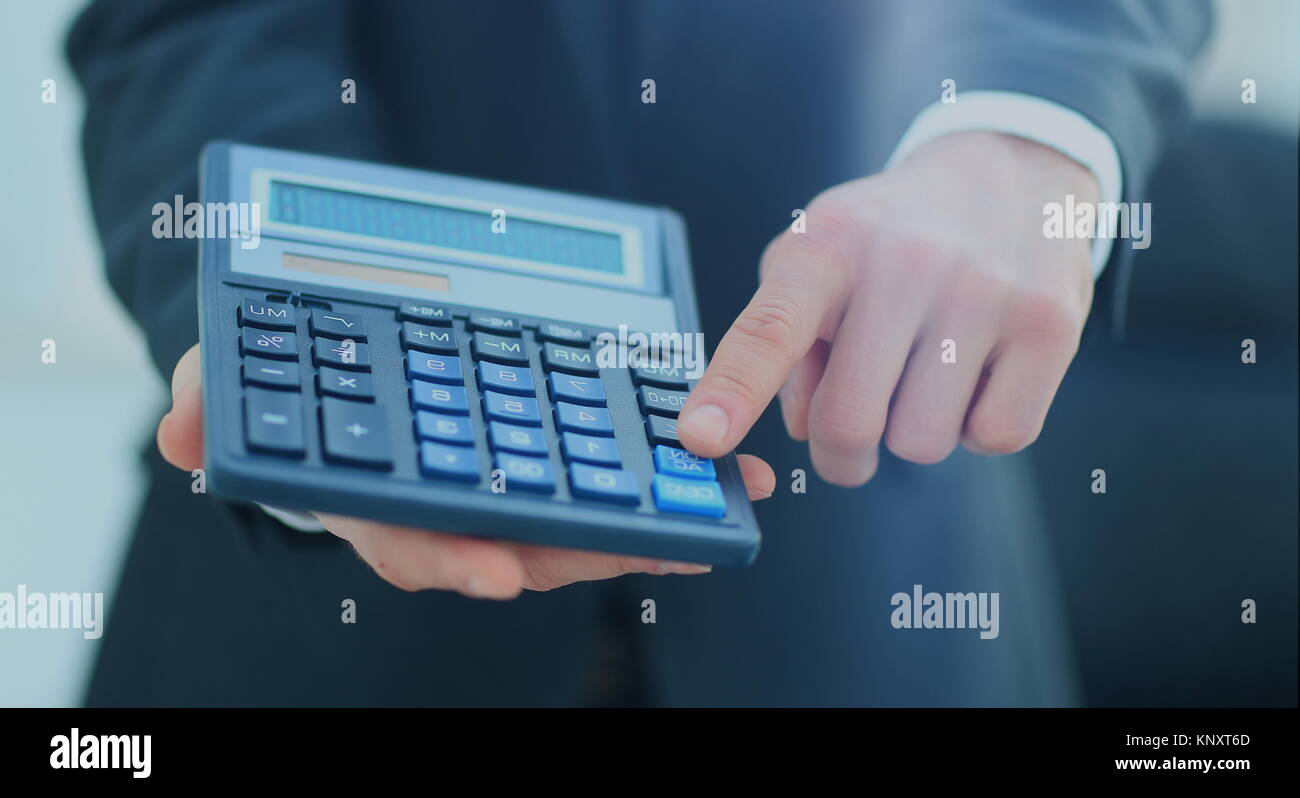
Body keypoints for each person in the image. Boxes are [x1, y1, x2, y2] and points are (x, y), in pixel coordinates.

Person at [68, 0, 1211, 706]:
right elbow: (185, 19)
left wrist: (1017, 141)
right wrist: (297, 356)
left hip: (869, 590)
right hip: (313, 632)